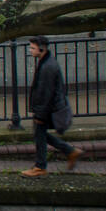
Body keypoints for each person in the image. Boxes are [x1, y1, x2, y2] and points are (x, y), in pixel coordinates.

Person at [20, 36, 83, 177]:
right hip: (48, 108)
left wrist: (40, 115)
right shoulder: (46, 62)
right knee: (40, 135)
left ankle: (40, 167)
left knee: (40, 135)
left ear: (41, 48)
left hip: (47, 109)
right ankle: (70, 152)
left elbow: (46, 93)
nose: (30, 51)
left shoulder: (48, 67)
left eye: (32, 48)